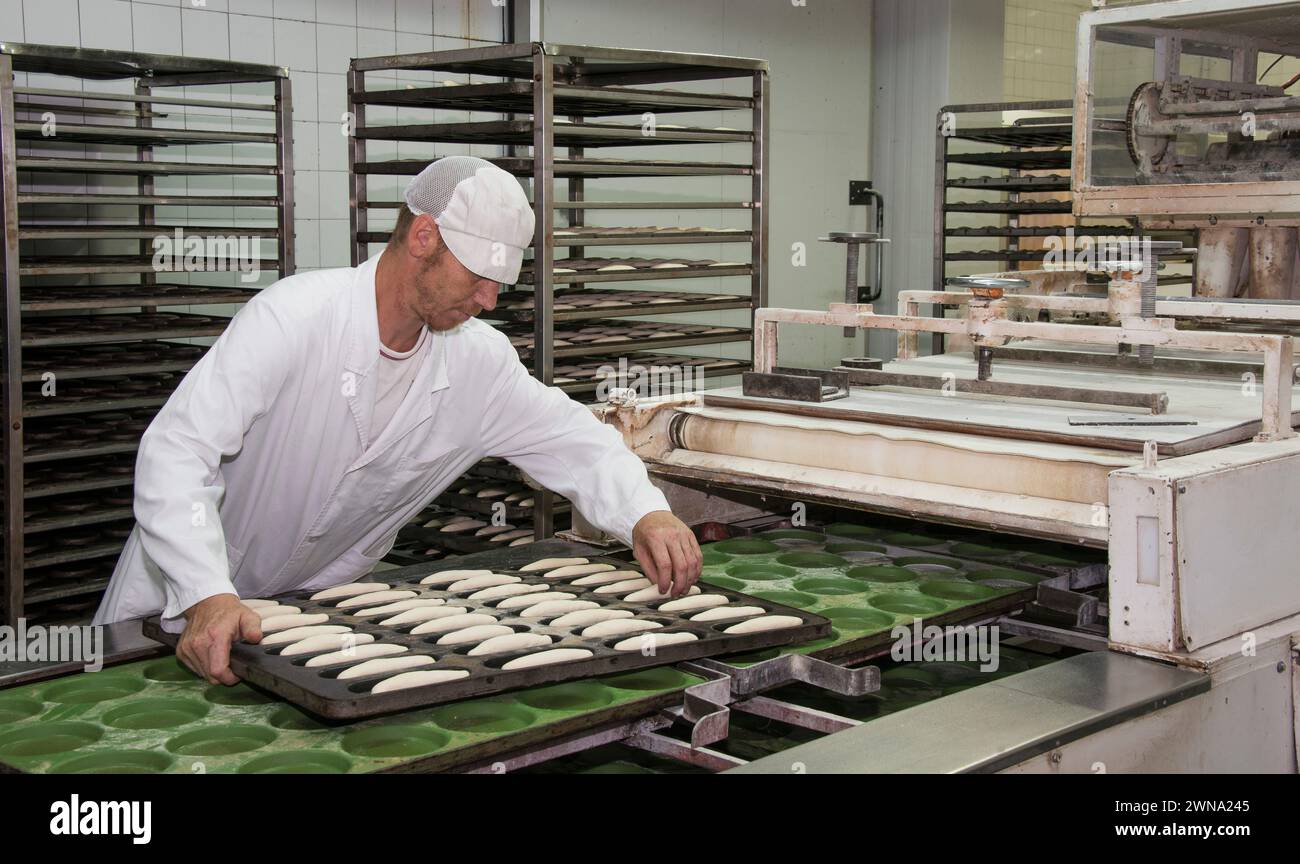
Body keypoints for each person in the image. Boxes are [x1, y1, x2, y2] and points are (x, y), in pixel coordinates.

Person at [93, 156, 703, 685]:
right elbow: (178, 452)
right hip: (171, 611)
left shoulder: (477, 363)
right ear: (423, 237)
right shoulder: (294, 318)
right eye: (479, 277)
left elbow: (574, 442)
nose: (490, 301)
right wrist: (207, 592)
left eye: (502, 284)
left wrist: (643, 512)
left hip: (298, 624)